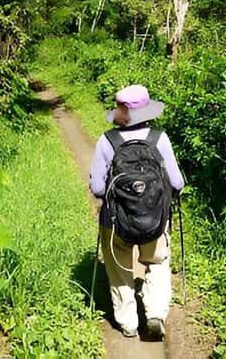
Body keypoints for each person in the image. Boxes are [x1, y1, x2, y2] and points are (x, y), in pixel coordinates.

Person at [89, 84, 184, 339]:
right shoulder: (159, 139)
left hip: (116, 222)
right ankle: (155, 314)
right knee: (157, 262)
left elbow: (98, 188)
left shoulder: (107, 141)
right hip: (155, 220)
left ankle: (128, 323)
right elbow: (177, 183)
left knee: (119, 269)